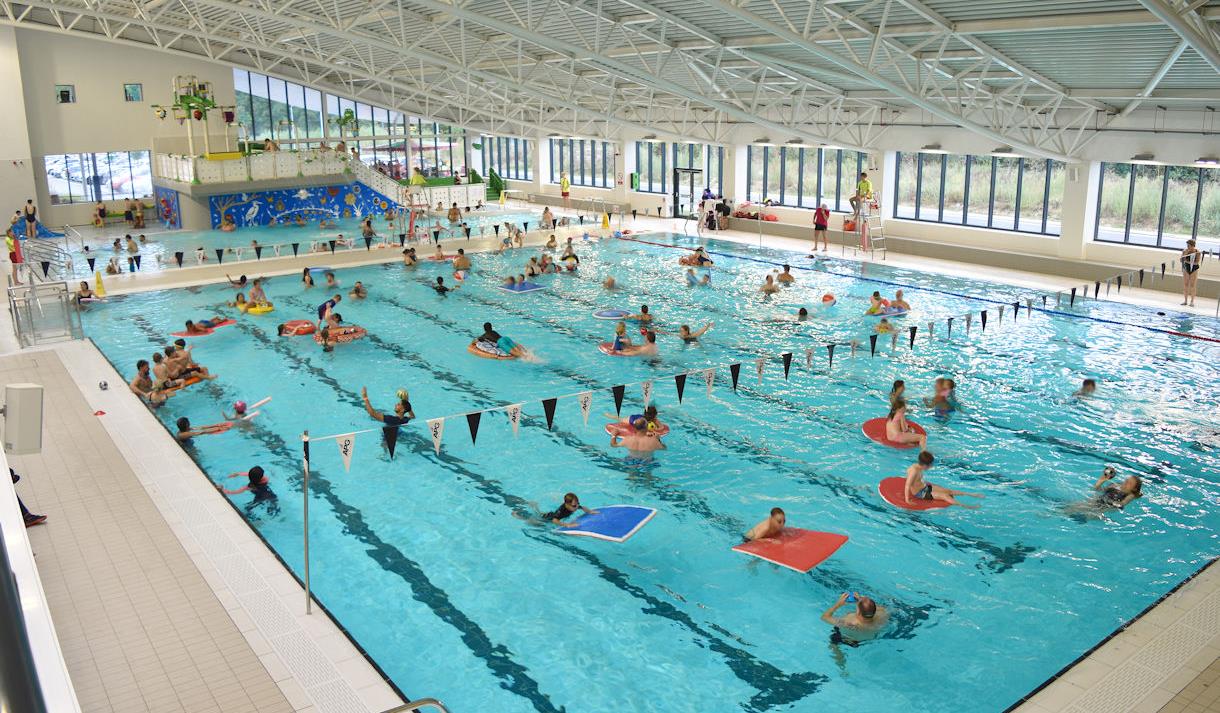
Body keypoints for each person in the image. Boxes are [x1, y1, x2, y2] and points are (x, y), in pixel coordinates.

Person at [903, 450, 981, 508]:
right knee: (945, 495)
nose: (931, 467)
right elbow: (907, 485)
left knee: (948, 491)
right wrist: (907, 500)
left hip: (925, 487)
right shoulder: (914, 471)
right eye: (930, 465)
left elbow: (918, 480)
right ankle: (967, 506)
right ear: (925, 465)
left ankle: (971, 494)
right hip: (920, 493)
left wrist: (926, 483)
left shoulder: (919, 466)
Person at [821, 593, 889, 649]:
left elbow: (824, 617)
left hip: (846, 639)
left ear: (858, 612)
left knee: (833, 642)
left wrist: (838, 604)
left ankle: (839, 657)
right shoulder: (882, 617)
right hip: (865, 640)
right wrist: (860, 600)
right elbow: (881, 608)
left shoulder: (849, 624)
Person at [1181, 238, 1201, 307]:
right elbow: (1181, 260)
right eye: (1187, 245)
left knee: (1193, 285)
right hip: (1186, 268)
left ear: (1193, 246)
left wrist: (1188, 260)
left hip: (1194, 268)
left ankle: (1192, 301)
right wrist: (1186, 253)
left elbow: (1197, 262)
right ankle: (1185, 301)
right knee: (1185, 284)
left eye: (1189, 245)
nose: (1188, 247)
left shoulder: (1197, 252)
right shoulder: (1185, 251)